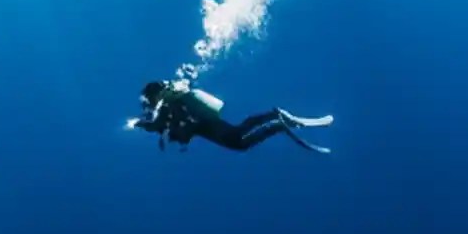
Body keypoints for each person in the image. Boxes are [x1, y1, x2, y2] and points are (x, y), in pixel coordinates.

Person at [129, 76, 333, 153]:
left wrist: (137, 124)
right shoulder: (174, 104)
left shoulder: (165, 107)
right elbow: (180, 131)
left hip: (212, 128)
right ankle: (274, 115)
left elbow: (157, 125)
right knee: (239, 131)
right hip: (212, 125)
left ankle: (277, 123)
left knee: (240, 142)